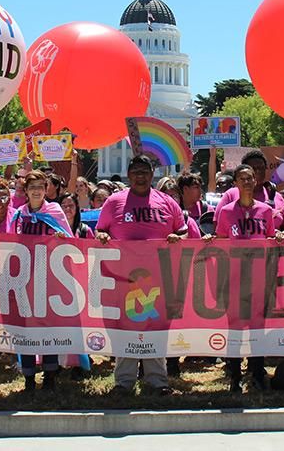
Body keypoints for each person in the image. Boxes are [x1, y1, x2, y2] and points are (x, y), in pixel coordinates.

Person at [96, 155, 187, 396]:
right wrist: (102, 237)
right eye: (135, 171)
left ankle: (157, 381)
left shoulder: (166, 202)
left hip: (157, 278)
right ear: (128, 174)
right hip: (123, 279)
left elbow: (184, 231)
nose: (140, 176)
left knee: (155, 326)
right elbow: (99, 231)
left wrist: (179, 238)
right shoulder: (114, 202)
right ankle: (123, 382)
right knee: (125, 328)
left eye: (144, 171)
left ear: (152, 174)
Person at [212, 164, 284, 394]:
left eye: (250, 178)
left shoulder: (265, 211)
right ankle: (234, 376)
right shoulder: (226, 212)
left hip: (258, 278)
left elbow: (271, 238)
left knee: (257, 327)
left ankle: (256, 373)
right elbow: (221, 242)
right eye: (242, 179)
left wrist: (280, 237)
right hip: (233, 278)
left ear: (256, 182)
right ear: (235, 183)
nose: (246, 182)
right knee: (234, 328)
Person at [7, 170, 72, 391]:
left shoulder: (55, 211)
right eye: (32, 186)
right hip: (24, 277)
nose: (36, 190)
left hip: (49, 276)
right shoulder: (18, 215)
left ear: (46, 189)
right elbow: (7, 243)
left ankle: (50, 374)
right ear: (25, 190)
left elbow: (69, 239)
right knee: (25, 325)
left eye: (40, 187)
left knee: (47, 325)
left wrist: (61, 238)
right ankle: (28, 377)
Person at [216, 150, 284, 232]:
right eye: (253, 168)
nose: (258, 171)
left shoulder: (277, 197)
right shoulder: (230, 195)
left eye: (261, 168)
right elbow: (218, 225)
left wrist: (281, 235)